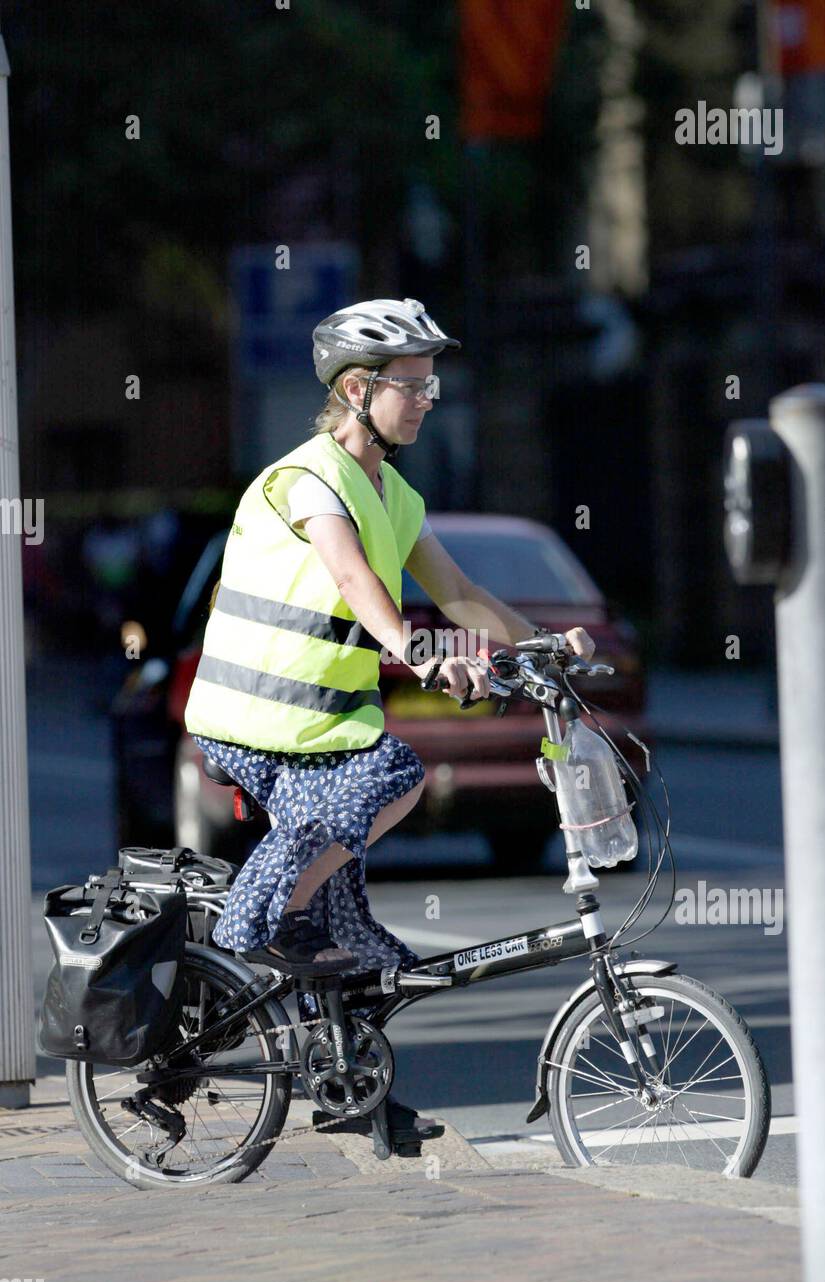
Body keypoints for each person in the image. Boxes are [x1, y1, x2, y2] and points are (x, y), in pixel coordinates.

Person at [184, 296, 595, 997]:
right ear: (356, 388)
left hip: (319, 726)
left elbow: (459, 594)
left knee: (363, 955)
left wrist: (544, 644)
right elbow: (350, 574)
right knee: (392, 773)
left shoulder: (396, 496)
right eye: (413, 385)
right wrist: (420, 651)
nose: (427, 401)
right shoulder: (306, 479)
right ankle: (255, 920)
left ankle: (357, 1098)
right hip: (254, 720)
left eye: (431, 385)